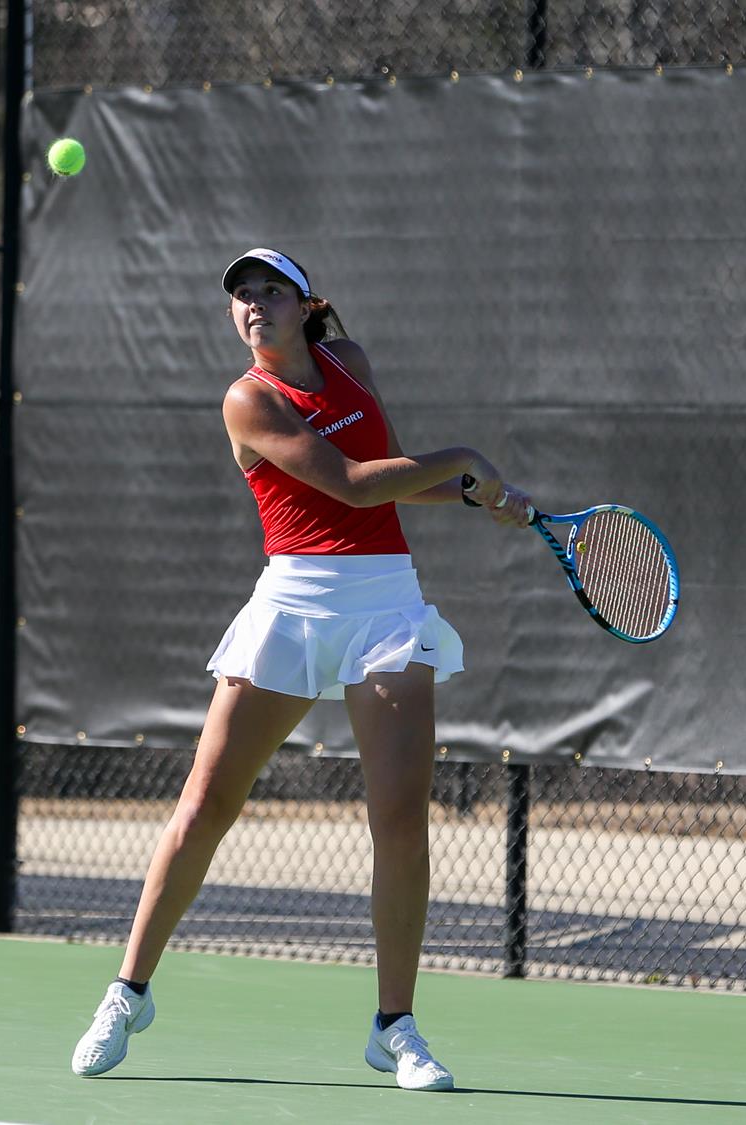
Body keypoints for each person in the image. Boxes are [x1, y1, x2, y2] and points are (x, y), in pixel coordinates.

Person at [69, 247, 532, 1092]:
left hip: (386, 606)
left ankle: (396, 1026)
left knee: (399, 821)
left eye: (268, 290)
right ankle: (126, 992)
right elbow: (354, 485)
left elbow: (392, 484)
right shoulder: (248, 399)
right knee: (205, 805)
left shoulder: (348, 364)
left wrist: (474, 496)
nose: (252, 305)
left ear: (304, 302)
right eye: (240, 296)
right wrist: (465, 457)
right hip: (290, 606)